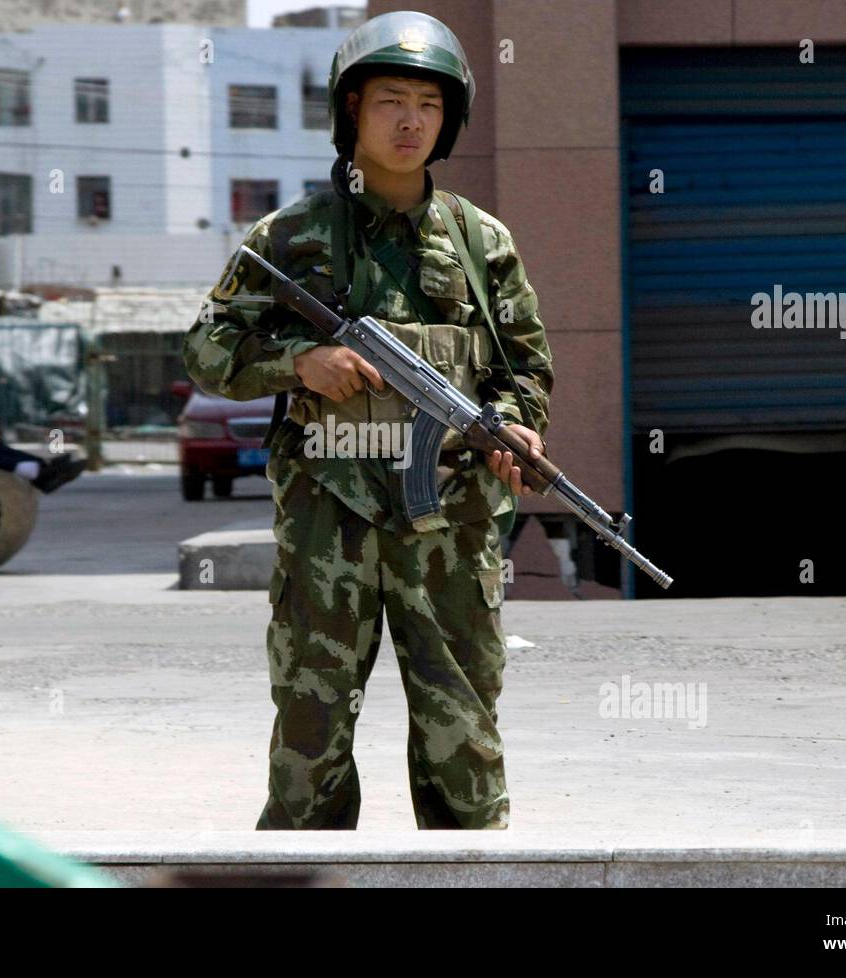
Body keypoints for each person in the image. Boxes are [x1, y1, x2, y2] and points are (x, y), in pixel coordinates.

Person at [184, 9, 554, 829]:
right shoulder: (292, 235)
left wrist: (513, 425)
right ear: (352, 108)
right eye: (391, 98)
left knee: (465, 746)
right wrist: (297, 363)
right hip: (329, 520)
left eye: (428, 102)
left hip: (449, 525)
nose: (410, 120)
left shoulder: (479, 241)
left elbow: (523, 366)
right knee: (308, 747)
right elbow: (206, 348)